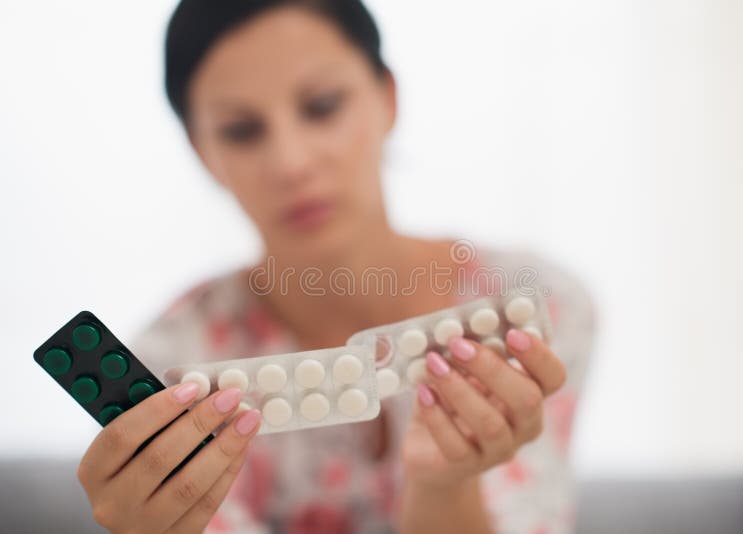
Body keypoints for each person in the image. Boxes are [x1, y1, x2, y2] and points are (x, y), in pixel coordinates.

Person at [76, 1, 595, 532]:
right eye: (241, 130)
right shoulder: (167, 368)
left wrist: (445, 485)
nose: (291, 162)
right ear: (201, 150)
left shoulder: (540, 301)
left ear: (388, 98)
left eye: (322, 106)